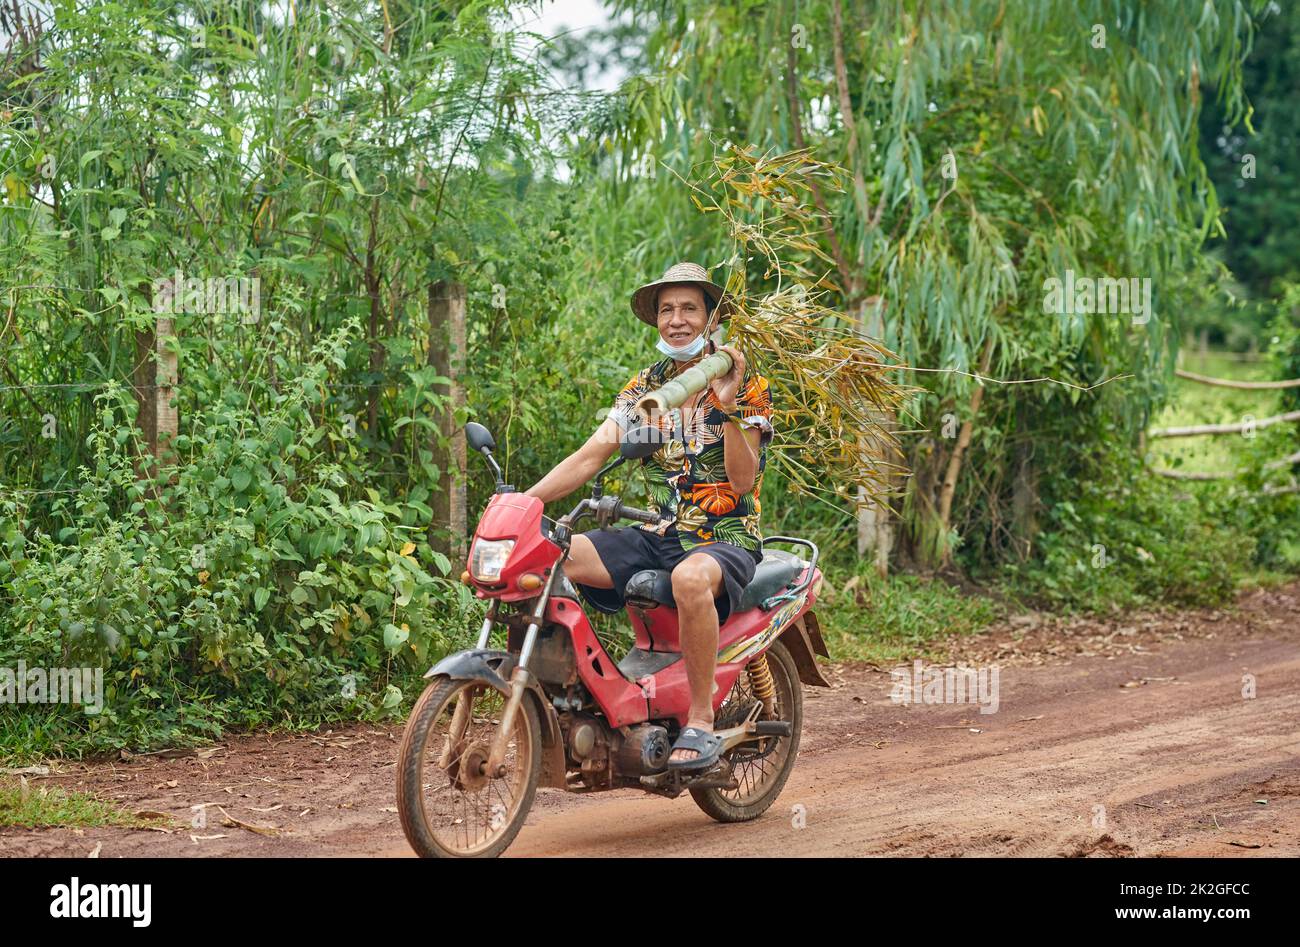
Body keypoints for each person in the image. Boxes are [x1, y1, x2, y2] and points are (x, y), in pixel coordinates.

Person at [524, 262, 774, 769]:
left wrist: (725, 407)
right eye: (667, 309)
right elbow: (590, 456)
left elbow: (743, 482)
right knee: (552, 552)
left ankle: (701, 719)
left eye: (688, 308)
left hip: (723, 538)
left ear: (709, 318)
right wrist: (525, 503)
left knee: (688, 579)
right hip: (659, 530)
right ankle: (587, 696)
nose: (676, 319)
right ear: (655, 320)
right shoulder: (646, 386)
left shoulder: (744, 382)